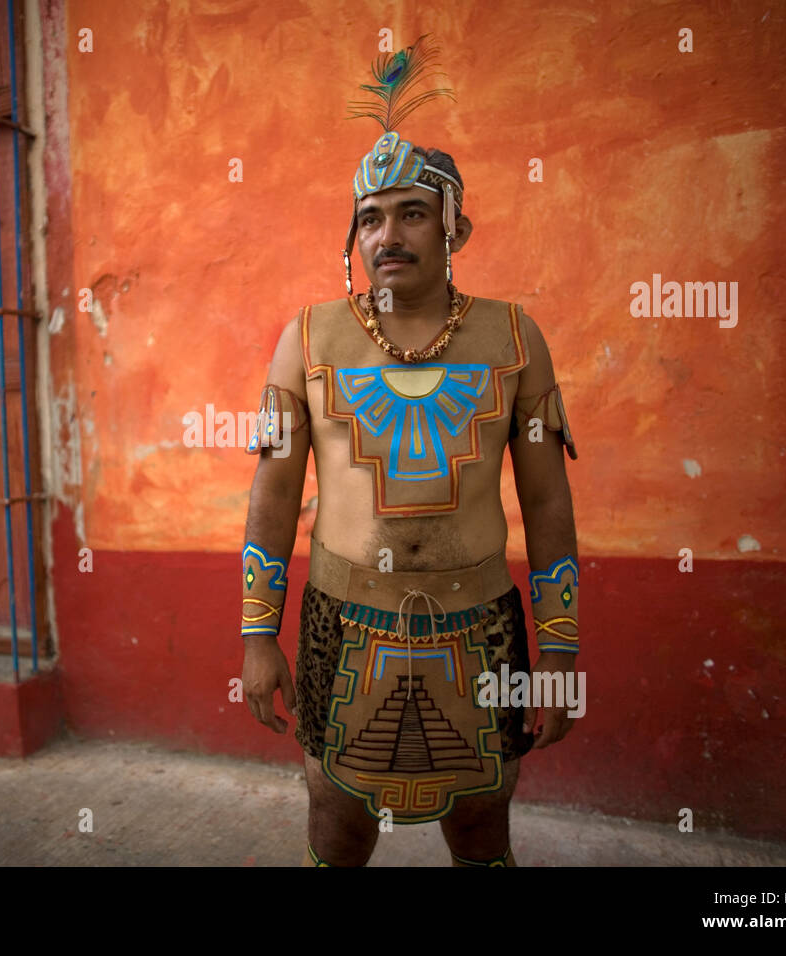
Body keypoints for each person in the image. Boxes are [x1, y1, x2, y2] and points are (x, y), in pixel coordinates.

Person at [239, 35, 580, 867]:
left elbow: (545, 503)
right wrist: (257, 636)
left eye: (412, 213)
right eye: (370, 217)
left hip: (484, 628)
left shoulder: (514, 337)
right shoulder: (308, 338)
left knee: (480, 823)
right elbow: (275, 496)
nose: (386, 235)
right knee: (335, 821)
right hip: (339, 627)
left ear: (455, 224)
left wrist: (560, 646)